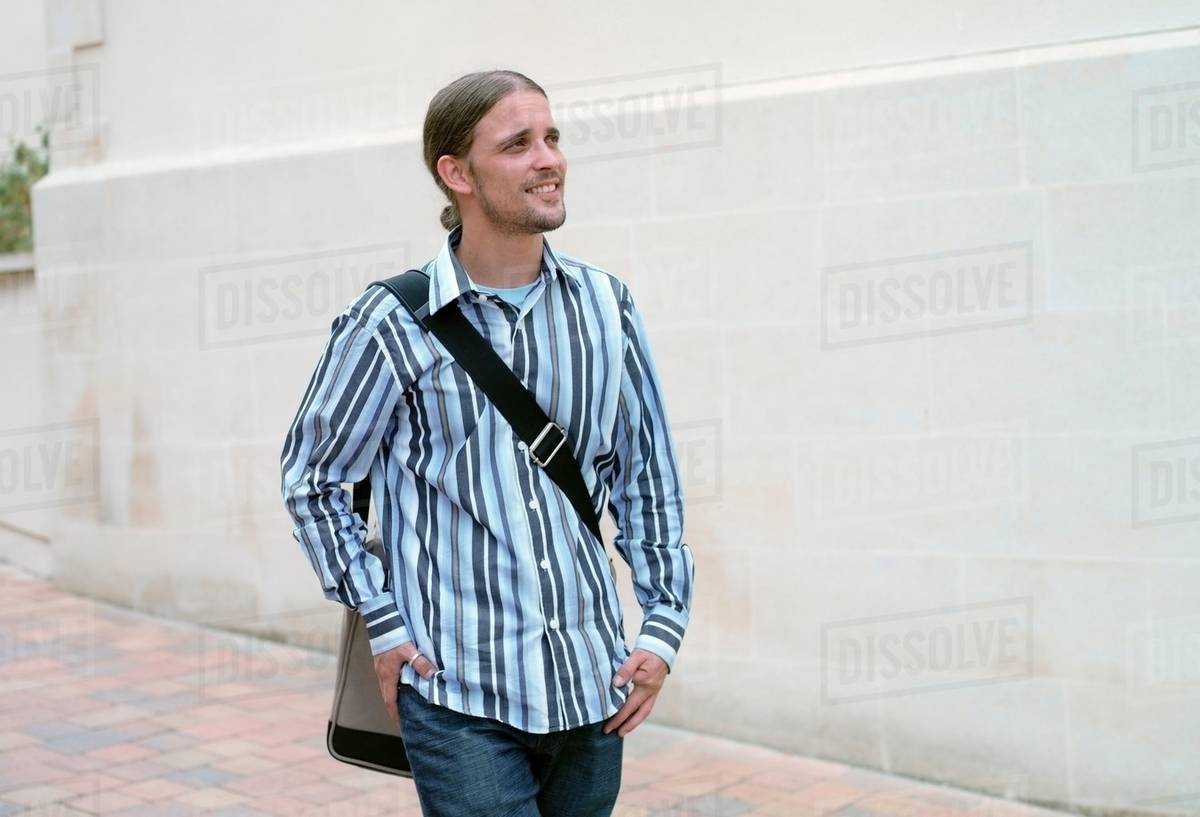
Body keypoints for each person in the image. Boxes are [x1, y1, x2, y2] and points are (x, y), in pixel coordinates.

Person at [279, 69, 694, 817]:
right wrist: (382, 617)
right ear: (456, 172)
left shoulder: (606, 305)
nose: (549, 159)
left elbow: (646, 477)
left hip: (592, 687)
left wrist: (663, 627)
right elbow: (312, 479)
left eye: (552, 138)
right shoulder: (391, 322)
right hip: (459, 691)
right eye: (518, 144)